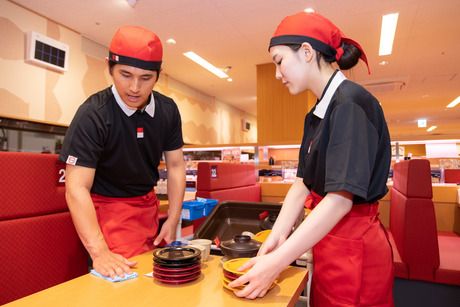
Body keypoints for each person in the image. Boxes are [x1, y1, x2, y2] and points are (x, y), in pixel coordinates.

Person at [228, 12, 393, 306]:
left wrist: (278, 262)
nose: (277, 74)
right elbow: (302, 184)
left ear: (306, 52)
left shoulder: (350, 103)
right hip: (329, 241)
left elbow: (340, 201)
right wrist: (275, 239)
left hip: (355, 248)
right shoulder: (316, 114)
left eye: (279, 61)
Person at [60, 25, 185, 279]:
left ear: (158, 75)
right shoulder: (93, 114)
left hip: (147, 206)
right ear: (110, 67)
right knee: (128, 281)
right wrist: (100, 251)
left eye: (146, 78)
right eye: (125, 75)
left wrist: (172, 219)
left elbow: (175, 166)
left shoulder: (167, 110)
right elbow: (76, 188)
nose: (135, 88)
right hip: (107, 210)